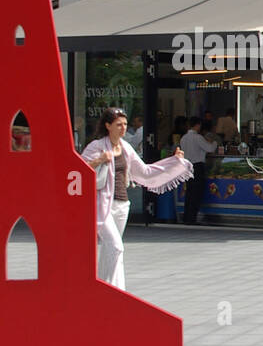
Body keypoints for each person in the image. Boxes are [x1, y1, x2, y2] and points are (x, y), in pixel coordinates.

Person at [81, 107, 192, 288]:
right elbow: (79, 169)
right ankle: (113, 290)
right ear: (108, 126)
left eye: (125, 124)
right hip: (101, 205)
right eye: (118, 124)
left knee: (111, 249)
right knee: (116, 247)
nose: (123, 128)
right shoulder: (97, 146)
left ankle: (103, 287)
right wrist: (99, 159)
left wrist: (174, 162)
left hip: (121, 205)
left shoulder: (126, 147)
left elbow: (145, 172)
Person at [178, 117, 216, 225]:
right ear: (198, 125)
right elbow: (210, 148)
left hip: (187, 166)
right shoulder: (198, 138)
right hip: (197, 167)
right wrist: (214, 143)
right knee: (196, 193)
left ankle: (187, 217)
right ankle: (192, 218)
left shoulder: (183, 138)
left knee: (189, 192)